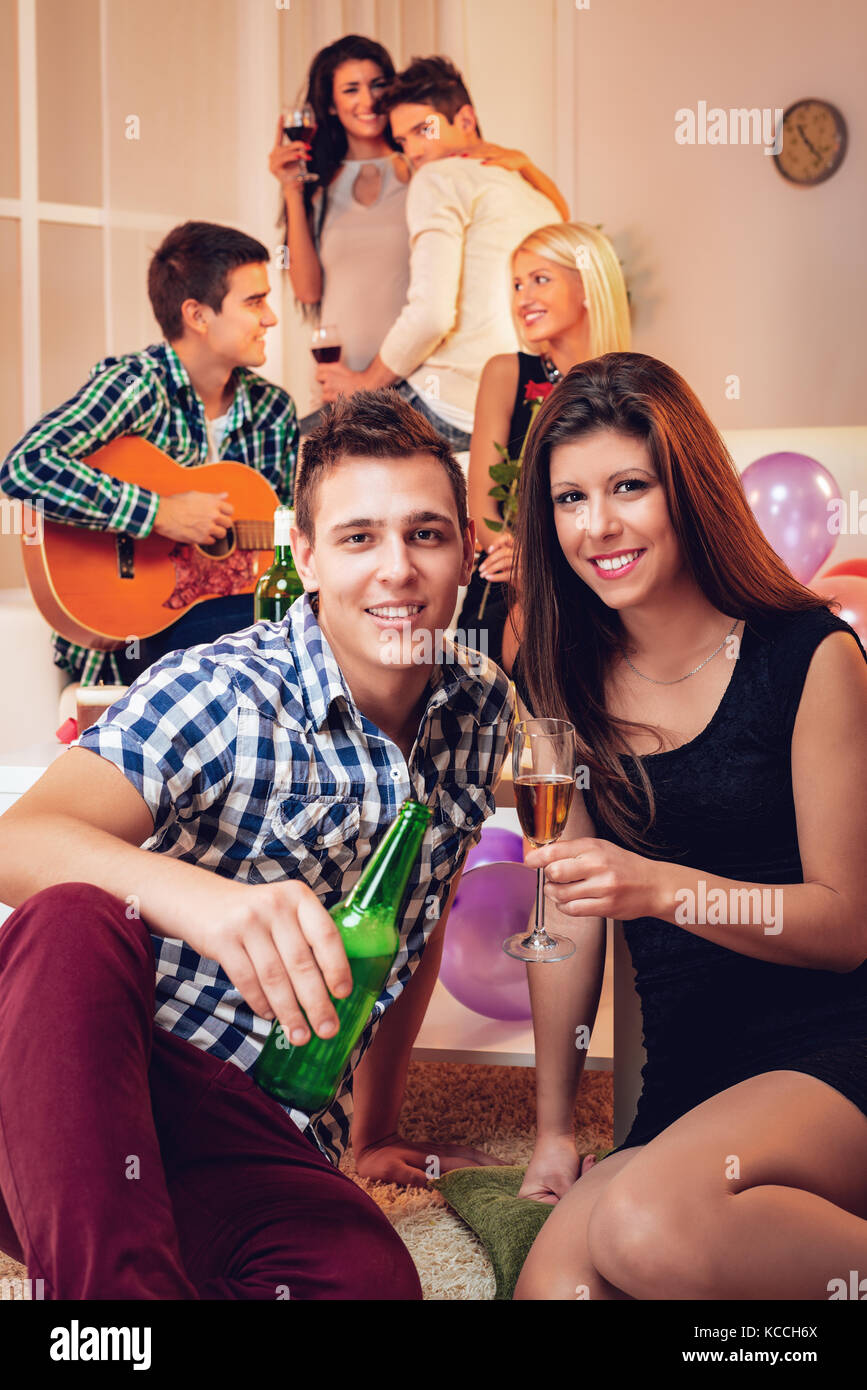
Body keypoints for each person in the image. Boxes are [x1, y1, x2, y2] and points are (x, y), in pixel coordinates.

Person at [0, 390, 515, 1301]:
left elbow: (417, 925)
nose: (396, 569)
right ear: (307, 558)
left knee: (371, 1282)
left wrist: (372, 1130)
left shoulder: (480, 710)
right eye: (359, 538)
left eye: (426, 535)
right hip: (93, 1077)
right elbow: (20, 839)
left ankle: (116, 1268)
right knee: (74, 919)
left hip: (253, 1130)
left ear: (467, 553)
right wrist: (201, 901)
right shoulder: (219, 688)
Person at [508, 353, 867, 1300]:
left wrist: (660, 887)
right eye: (570, 498)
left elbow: (844, 928)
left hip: (830, 1057)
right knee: (557, 1293)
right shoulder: (558, 684)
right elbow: (569, 917)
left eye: (629, 486)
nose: (598, 527)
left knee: (650, 1227)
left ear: (689, 490)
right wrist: (553, 1130)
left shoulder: (811, 657)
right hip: (687, 1075)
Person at [0, 221, 298, 687]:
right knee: (291, 628)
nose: (271, 318)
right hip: (132, 640)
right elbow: (27, 466)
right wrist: (158, 512)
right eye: (254, 302)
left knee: (295, 615)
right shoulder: (138, 384)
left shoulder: (273, 409)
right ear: (198, 315)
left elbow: (283, 545)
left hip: (232, 630)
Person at [315, 56, 568, 452]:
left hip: (444, 405)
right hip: (517, 412)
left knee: (303, 449)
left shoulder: (438, 177)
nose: (413, 150)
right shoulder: (530, 188)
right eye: (403, 140)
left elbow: (431, 315)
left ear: (465, 119)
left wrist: (363, 384)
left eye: (423, 130)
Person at [461, 222, 631, 667]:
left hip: (607, 566)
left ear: (588, 286)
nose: (523, 298)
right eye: (517, 284)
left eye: (540, 279)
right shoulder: (505, 374)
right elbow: (481, 508)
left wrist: (556, 563)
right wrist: (525, 560)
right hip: (507, 571)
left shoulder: (636, 383)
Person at [268, 35, 411, 422]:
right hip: (338, 385)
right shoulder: (319, 189)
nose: (368, 100)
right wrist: (291, 190)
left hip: (413, 382)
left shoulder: (420, 174)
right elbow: (307, 289)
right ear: (331, 104)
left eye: (377, 84)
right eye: (351, 89)